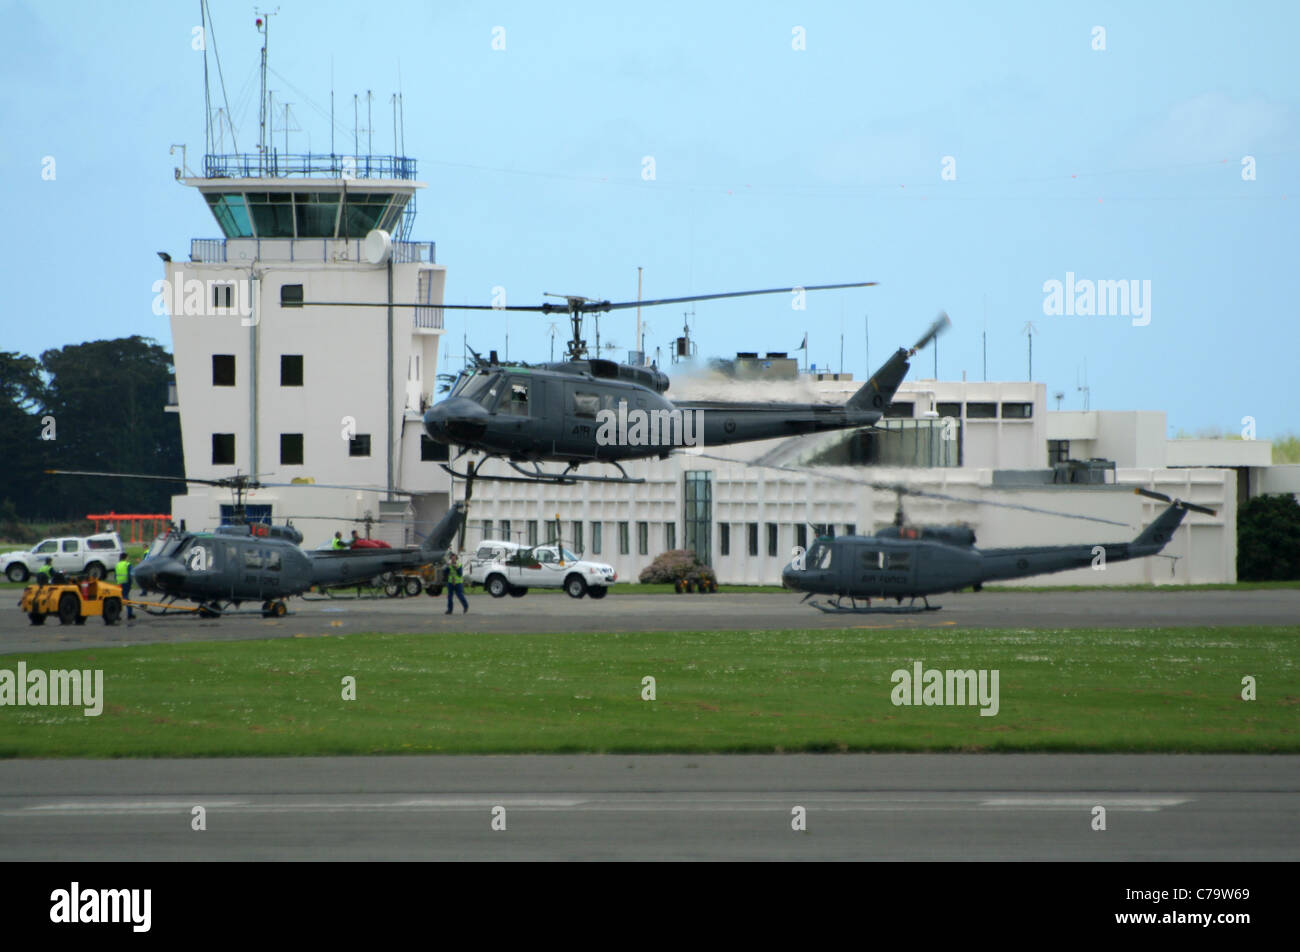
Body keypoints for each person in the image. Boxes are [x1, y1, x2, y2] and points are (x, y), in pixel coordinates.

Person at [115, 554, 135, 620]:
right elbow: (130, 574)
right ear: (126, 557)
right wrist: (131, 582)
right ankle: (129, 614)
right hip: (126, 582)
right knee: (126, 598)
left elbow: (115, 575)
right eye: (127, 557)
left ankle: (117, 614)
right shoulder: (127, 564)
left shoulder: (117, 565)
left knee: (120, 598)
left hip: (119, 583)